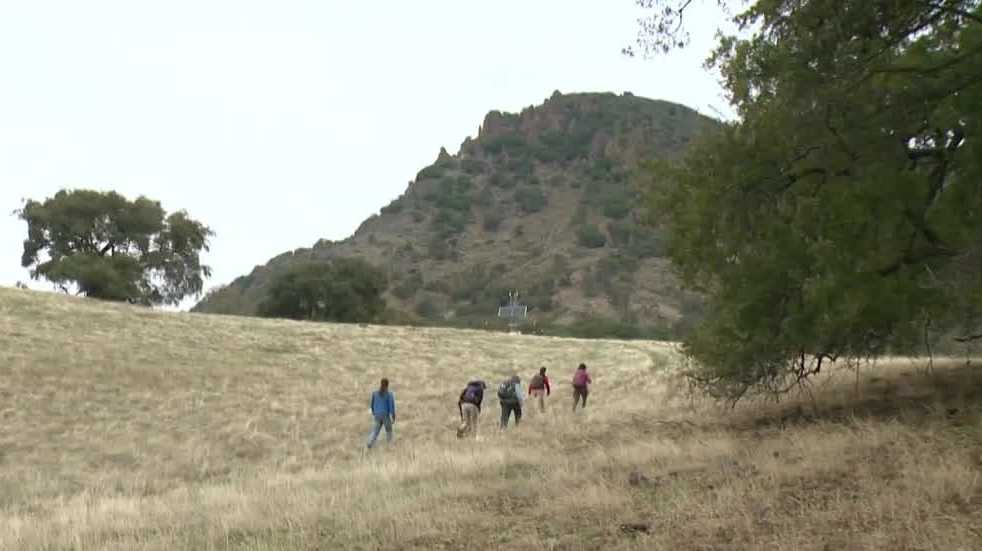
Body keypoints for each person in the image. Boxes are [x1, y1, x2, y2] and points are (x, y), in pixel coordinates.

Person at [366, 378, 396, 449]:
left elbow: (372, 405)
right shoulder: (389, 394)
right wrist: (393, 416)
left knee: (375, 431)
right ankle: (390, 446)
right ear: (387, 385)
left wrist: (374, 412)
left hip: (377, 415)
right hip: (385, 415)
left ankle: (370, 443)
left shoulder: (375, 393)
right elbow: (391, 406)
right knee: (389, 431)